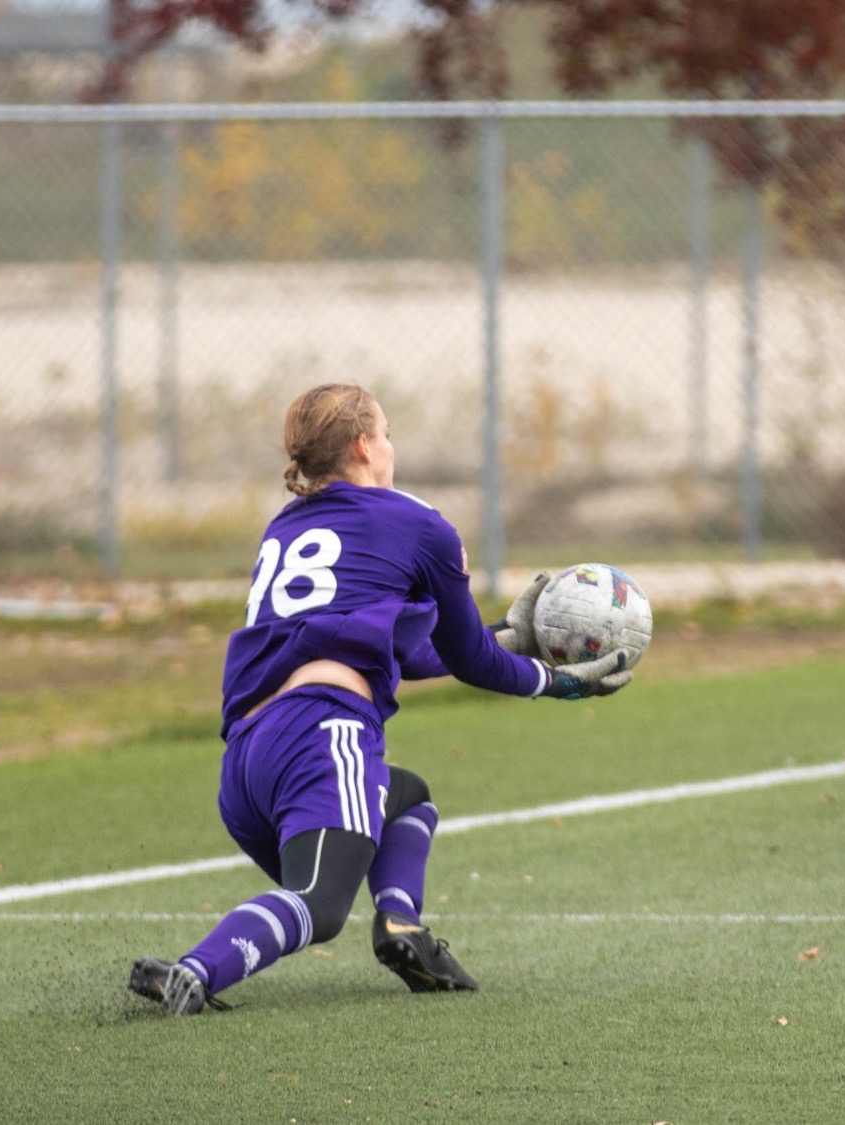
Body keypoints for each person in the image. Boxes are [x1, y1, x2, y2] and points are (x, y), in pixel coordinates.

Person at [128, 383, 630, 1015]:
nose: (392, 447)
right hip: (319, 736)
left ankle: (401, 926)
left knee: (407, 797)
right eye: (387, 435)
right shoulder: (419, 524)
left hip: (247, 762)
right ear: (364, 446)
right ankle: (196, 971)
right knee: (319, 903)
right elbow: (469, 661)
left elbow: (406, 652)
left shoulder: (285, 525)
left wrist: (506, 633)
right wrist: (556, 681)